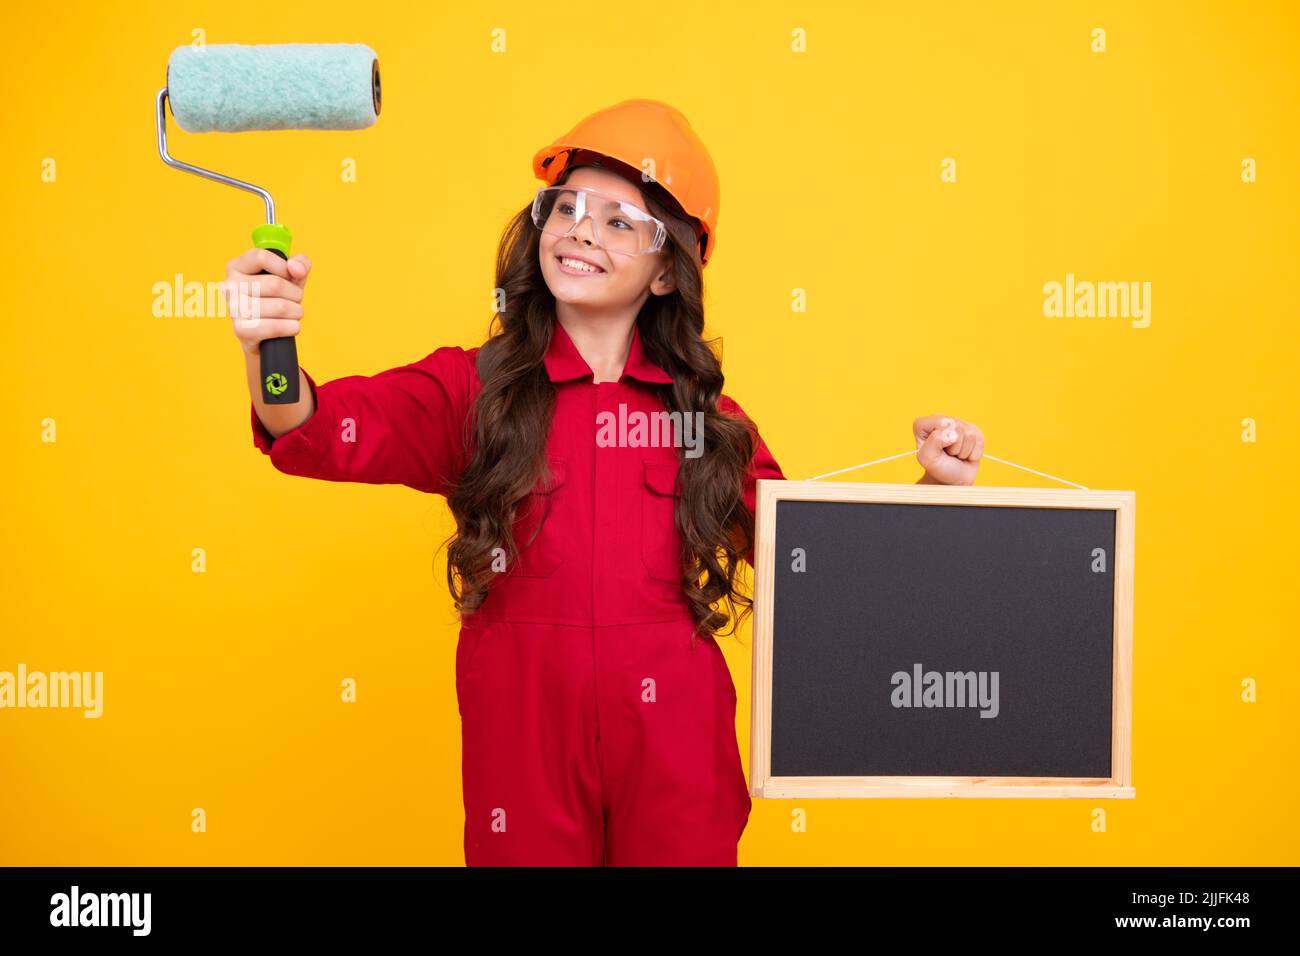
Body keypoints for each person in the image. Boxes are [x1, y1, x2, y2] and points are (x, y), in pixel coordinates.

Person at [226, 99, 985, 866]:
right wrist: (271, 343)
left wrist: (934, 484)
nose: (583, 229)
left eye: (621, 221)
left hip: (676, 739)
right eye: (568, 207)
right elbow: (313, 426)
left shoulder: (707, 420)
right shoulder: (472, 391)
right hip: (521, 733)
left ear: (666, 272)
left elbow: (821, 570)